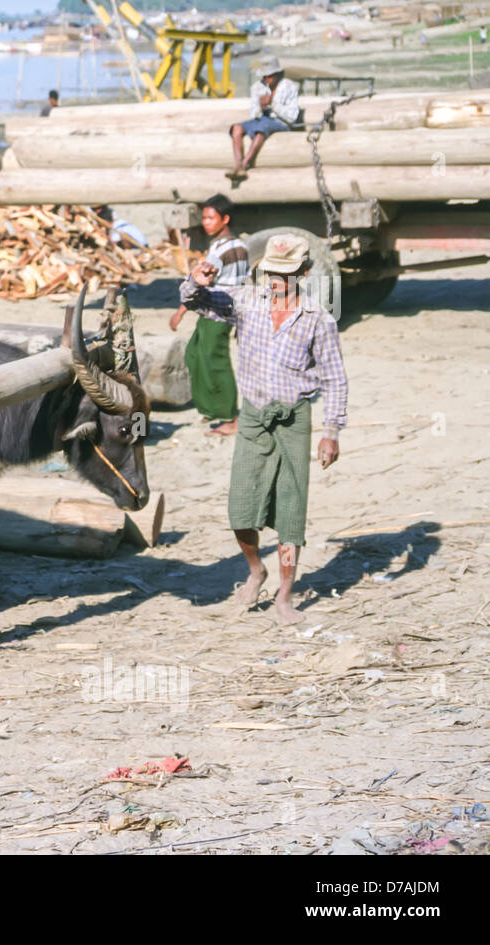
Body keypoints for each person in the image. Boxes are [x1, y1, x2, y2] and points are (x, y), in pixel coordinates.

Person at [179, 234, 347, 625]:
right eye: (270, 272)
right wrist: (196, 280)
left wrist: (332, 431)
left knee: (290, 514)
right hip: (253, 419)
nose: (275, 280)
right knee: (241, 510)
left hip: (293, 421)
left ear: (303, 273)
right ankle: (256, 570)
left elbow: (335, 379)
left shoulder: (317, 320)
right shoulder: (245, 302)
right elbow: (196, 302)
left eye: (285, 274)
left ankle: (285, 596)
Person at [170, 193, 249, 436]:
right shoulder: (241, 245)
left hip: (217, 312)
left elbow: (205, 277)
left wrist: (181, 310)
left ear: (224, 219)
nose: (206, 222)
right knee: (195, 353)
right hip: (228, 308)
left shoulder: (219, 248)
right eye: (204, 218)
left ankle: (230, 418)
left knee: (216, 362)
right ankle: (211, 408)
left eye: (210, 218)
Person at [229, 55, 298, 180]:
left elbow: (291, 117)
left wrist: (273, 105)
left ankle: (245, 164)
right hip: (262, 120)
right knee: (236, 128)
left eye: (270, 76)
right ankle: (238, 163)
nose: (267, 79)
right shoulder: (257, 87)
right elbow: (254, 114)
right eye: (265, 76)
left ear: (277, 74)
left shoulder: (290, 87)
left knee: (261, 129)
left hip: (280, 122)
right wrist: (261, 107)